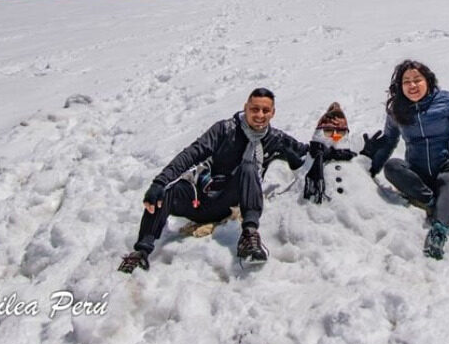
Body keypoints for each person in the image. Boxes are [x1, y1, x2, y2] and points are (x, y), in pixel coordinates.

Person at [118, 88, 311, 273]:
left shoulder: (276, 139)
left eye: (265, 110)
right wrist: (159, 183)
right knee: (168, 192)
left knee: (249, 166)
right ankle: (141, 252)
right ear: (245, 108)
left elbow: (306, 153)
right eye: (254, 109)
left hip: (231, 202)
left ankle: (249, 236)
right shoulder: (225, 129)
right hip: (202, 198)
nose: (259, 115)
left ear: (273, 113)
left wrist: (334, 140)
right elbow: (190, 155)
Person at [360, 60, 449, 259]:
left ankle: (439, 232)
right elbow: (389, 141)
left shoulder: (446, 101)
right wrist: (368, 167)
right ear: (400, 86)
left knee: (447, 181)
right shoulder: (396, 110)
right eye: (406, 82)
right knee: (392, 166)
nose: (412, 86)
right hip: (418, 175)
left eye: (417, 80)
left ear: (428, 81)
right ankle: (433, 203)